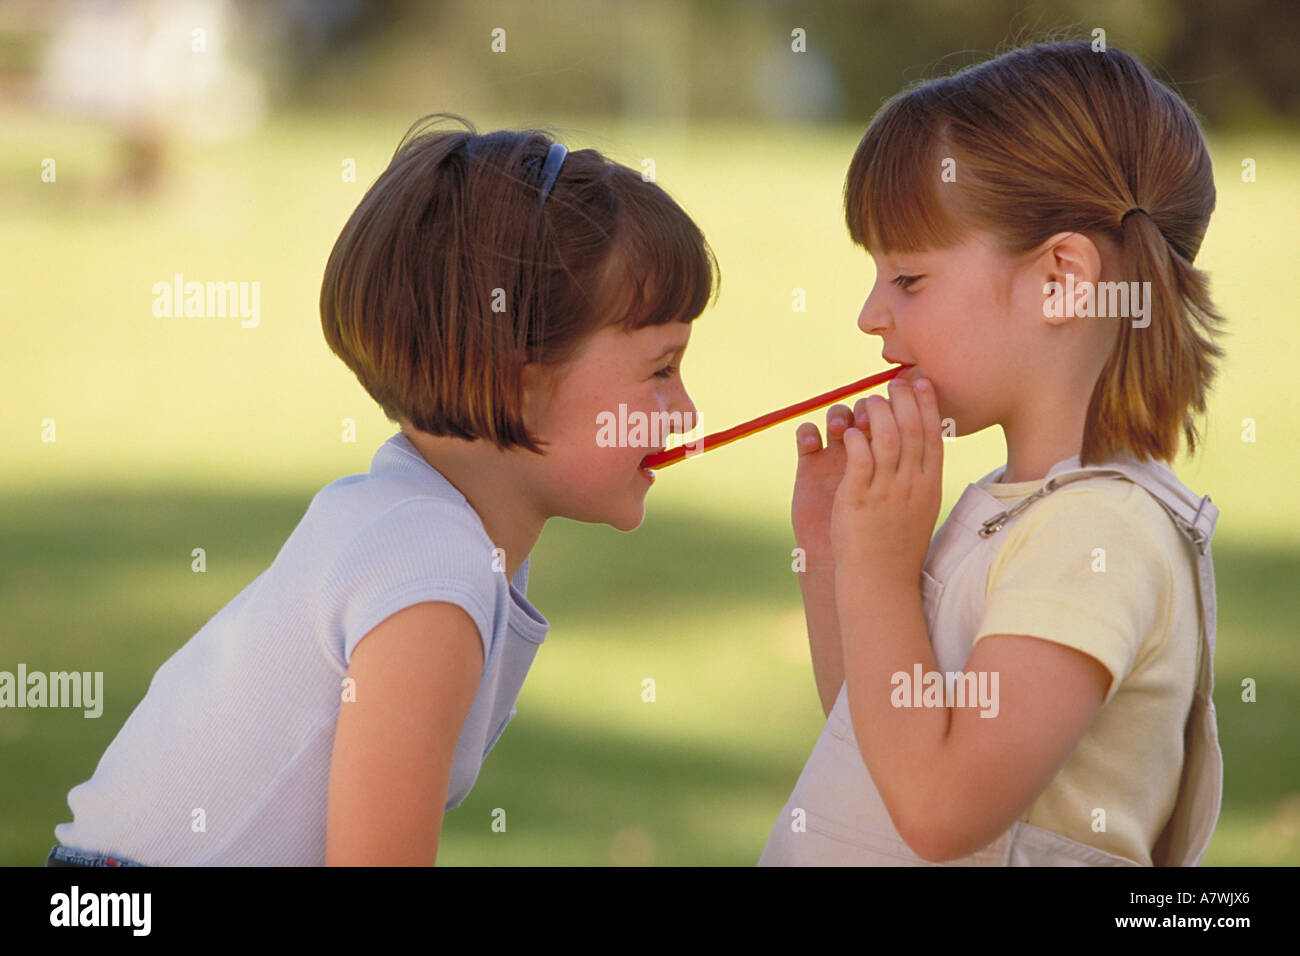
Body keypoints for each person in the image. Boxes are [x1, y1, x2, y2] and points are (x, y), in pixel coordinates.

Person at [48, 114, 717, 866]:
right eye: (662, 370)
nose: (687, 416)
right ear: (521, 389)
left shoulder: (418, 523)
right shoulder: (430, 571)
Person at [761, 40, 1225, 866]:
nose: (872, 314)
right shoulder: (1012, 507)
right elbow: (875, 749)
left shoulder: (1099, 538)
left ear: (1060, 279)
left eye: (907, 279)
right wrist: (836, 555)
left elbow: (938, 813)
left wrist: (876, 569)